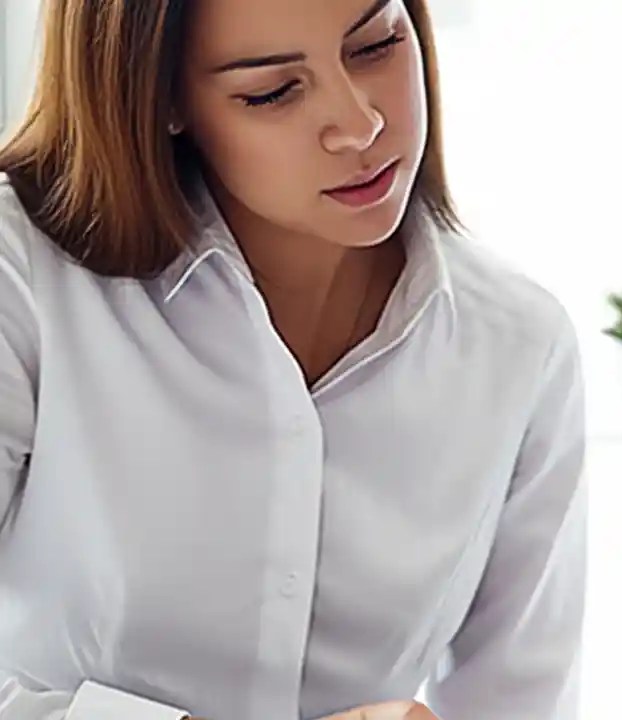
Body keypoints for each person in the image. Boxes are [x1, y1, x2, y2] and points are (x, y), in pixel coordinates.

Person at [0, 0, 585, 718]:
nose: (360, 124)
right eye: (272, 91)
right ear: (161, 99)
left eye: (375, 46)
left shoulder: (519, 343)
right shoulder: (22, 276)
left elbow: (519, 703)